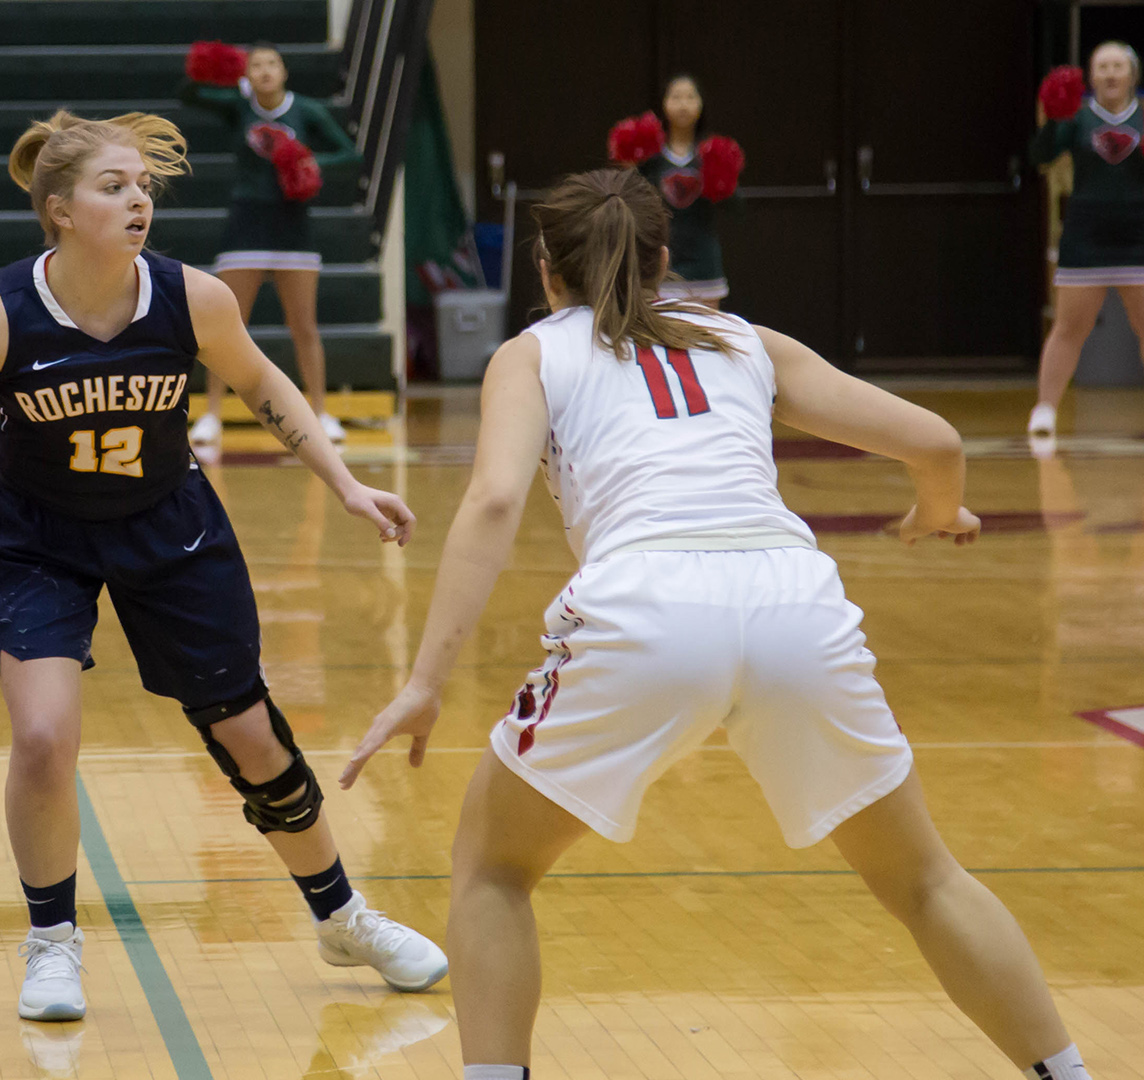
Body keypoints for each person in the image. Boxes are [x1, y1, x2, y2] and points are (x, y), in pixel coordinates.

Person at [340, 168, 1096, 1080]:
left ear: (545, 270)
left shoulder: (535, 353)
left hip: (643, 608)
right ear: (667, 261)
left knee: (492, 867)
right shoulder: (746, 341)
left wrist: (425, 682)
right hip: (793, 601)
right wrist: (938, 510)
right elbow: (934, 439)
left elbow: (497, 497)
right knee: (926, 878)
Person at [0, 110, 447, 1022]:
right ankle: (52, 944)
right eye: (115, 185)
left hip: (170, 528)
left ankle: (343, 916)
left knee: (251, 738)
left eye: (144, 185)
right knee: (42, 736)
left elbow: (263, 383)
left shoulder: (194, 297)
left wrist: (345, 484)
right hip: (37, 539)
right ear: (61, 209)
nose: (139, 198)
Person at [178, 43, 361, 448]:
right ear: (248, 73)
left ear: (284, 72)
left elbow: (349, 154)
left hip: (292, 224)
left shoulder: (306, 110)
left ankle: (321, 413)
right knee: (227, 325)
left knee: (304, 326)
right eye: (256, 65)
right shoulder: (238, 106)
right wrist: (215, 72)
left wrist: (311, 163)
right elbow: (188, 95)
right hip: (245, 223)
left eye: (272, 63)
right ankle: (211, 415)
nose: (264, 71)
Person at [1028, 40, 1144, 437]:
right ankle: (1044, 410)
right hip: (1086, 238)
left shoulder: (1143, 117)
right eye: (1102, 66)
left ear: (1132, 75)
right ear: (1091, 77)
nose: (1110, 73)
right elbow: (1040, 157)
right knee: (1067, 329)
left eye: (1118, 66)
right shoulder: (1076, 118)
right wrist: (1051, 122)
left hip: (1138, 239)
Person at [617, 74, 737, 307]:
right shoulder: (650, 156)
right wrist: (629, 166)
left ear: (701, 104)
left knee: (707, 339)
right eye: (676, 97)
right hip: (661, 264)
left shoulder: (712, 153)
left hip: (704, 267)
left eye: (690, 97)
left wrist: (725, 181)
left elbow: (737, 208)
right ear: (663, 103)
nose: (683, 104)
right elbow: (630, 200)